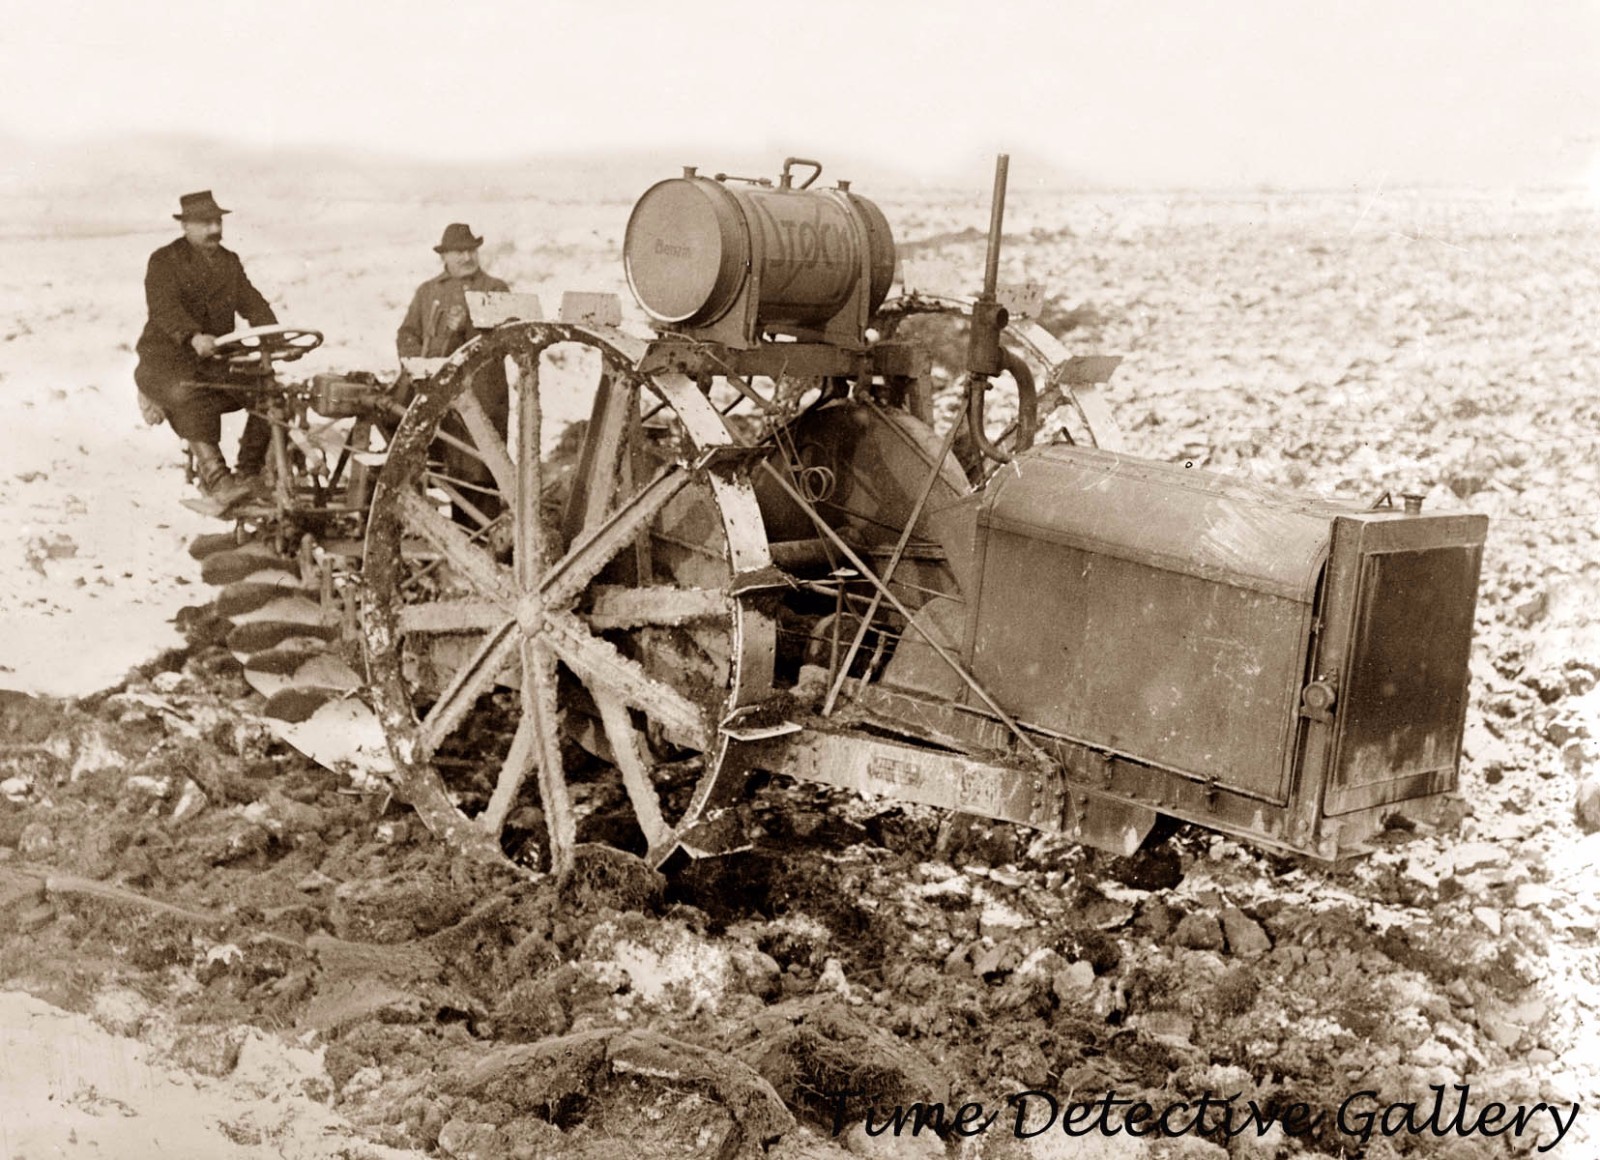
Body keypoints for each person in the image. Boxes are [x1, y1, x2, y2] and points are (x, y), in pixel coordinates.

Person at [134, 191, 277, 510]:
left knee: (269, 394)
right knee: (190, 395)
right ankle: (216, 479)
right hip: (167, 359)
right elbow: (164, 308)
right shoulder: (164, 261)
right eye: (205, 223)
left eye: (218, 221)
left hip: (216, 358)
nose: (214, 229)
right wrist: (193, 335)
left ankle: (250, 472)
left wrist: (276, 334)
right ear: (185, 226)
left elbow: (251, 301)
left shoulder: (229, 262)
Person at [396, 223, 511, 523]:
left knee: (485, 472)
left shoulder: (495, 289)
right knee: (452, 474)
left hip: (483, 397)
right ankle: (463, 542)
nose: (466, 257)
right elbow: (407, 332)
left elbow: (510, 336)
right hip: (440, 400)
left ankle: (489, 545)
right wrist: (413, 363)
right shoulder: (428, 292)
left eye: (471, 250)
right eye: (458, 251)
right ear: (444, 256)